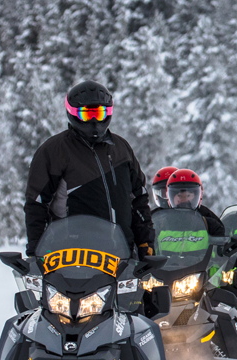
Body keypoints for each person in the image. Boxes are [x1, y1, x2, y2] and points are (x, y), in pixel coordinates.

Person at [24, 81, 154, 258]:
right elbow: (36, 204)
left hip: (123, 255)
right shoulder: (54, 151)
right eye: (87, 114)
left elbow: (139, 198)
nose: (94, 120)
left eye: (99, 113)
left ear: (108, 113)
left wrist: (146, 242)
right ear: (73, 113)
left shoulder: (121, 148)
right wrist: (36, 251)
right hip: (72, 257)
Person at [162, 168, 225, 236]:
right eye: (179, 196)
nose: (184, 200)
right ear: (170, 197)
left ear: (197, 196)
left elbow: (222, 238)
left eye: (188, 196)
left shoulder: (209, 224)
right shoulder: (161, 224)